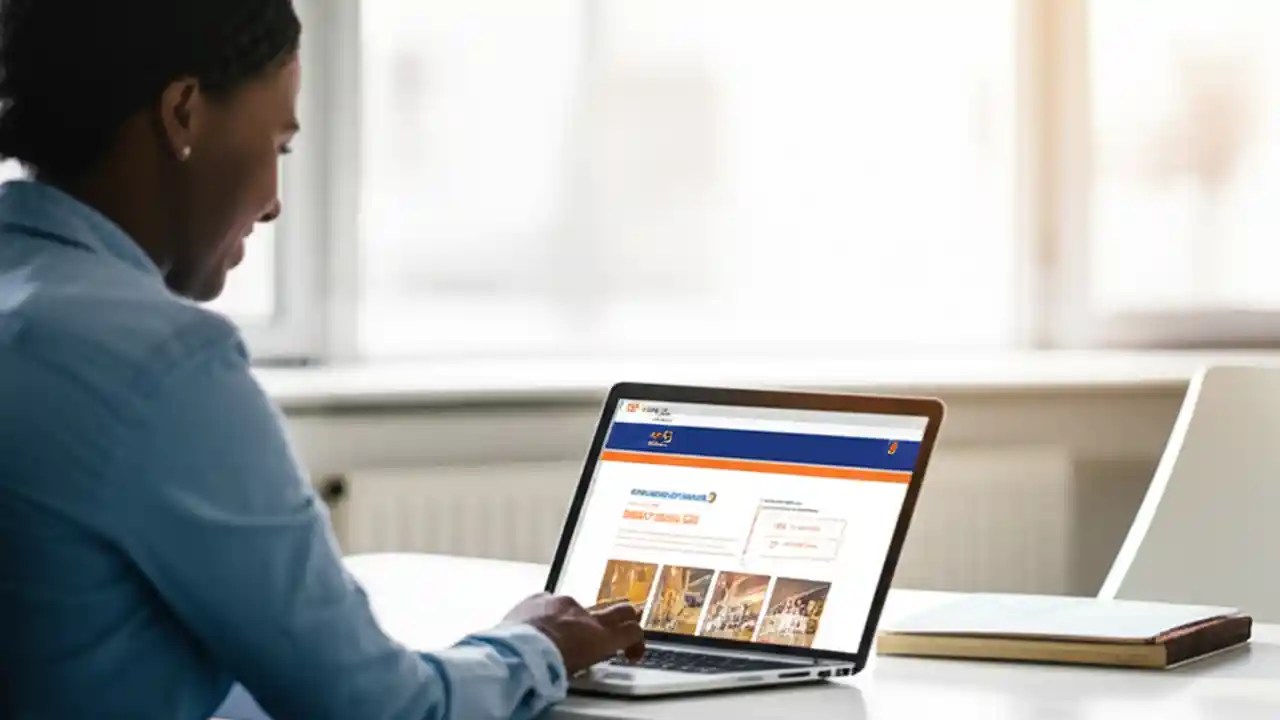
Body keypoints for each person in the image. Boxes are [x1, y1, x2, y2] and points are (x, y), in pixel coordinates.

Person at [0, 1, 643, 718]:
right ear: (182, 112)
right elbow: (373, 707)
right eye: (279, 145)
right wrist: (535, 647)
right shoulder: (162, 363)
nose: (274, 204)